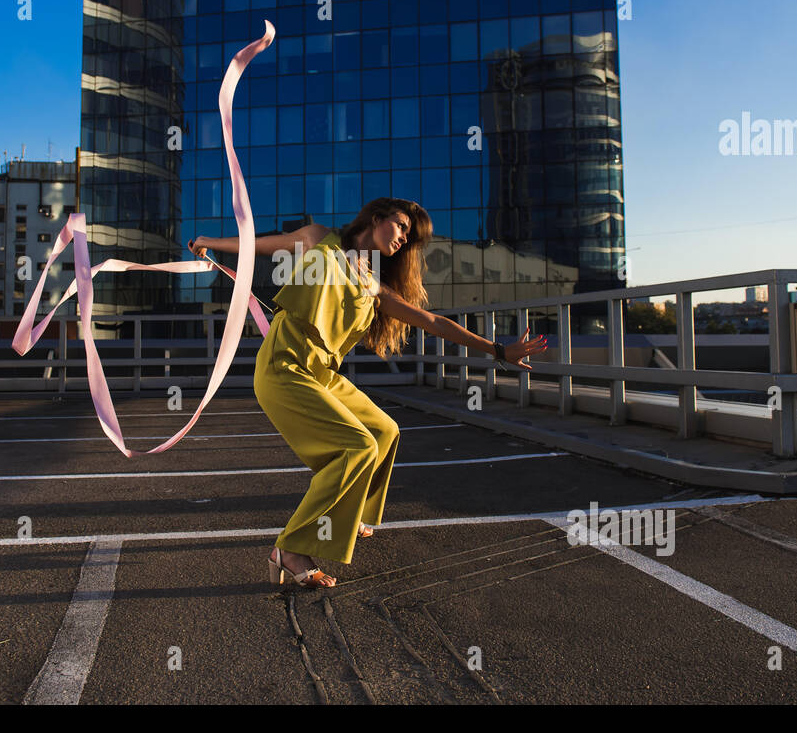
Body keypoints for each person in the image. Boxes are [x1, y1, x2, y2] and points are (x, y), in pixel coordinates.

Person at [188, 197, 548, 588]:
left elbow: (433, 322)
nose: (404, 239)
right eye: (401, 226)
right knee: (358, 446)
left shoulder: (372, 282)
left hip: (322, 371)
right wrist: (209, 241)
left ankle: (354, 513)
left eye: (409, 235)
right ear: (376, 219)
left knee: (384, 431)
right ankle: (289, 549)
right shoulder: (318, 240)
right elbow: (258, 244)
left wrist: (498, 351)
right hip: (284, 365)